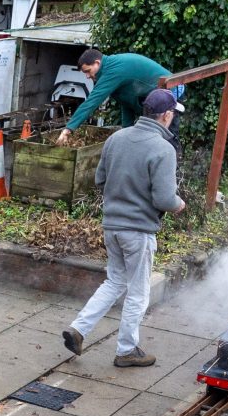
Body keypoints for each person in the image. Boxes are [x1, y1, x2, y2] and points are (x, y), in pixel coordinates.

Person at [63, 88, 185, 368]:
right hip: (138, 232)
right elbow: (164, 198)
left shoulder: (116, 138)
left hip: (112, 226)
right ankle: (127, 349)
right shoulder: (163, 149)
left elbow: (100, 179)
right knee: (138, 292)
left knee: (115, 281)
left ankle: (79, 329)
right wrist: (178, 205)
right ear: (166, 115)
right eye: (173, 115)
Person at [58, 48, 179, 138]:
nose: (88, 76)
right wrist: (127, 131)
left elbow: (91, 102)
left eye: (88, 71)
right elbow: (126, 101)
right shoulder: (110, 68)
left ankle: (172, 170)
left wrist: (68, 129)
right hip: (149, 96)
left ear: (97, 63)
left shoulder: (112, 71)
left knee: (165, 139)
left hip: (171, 92)